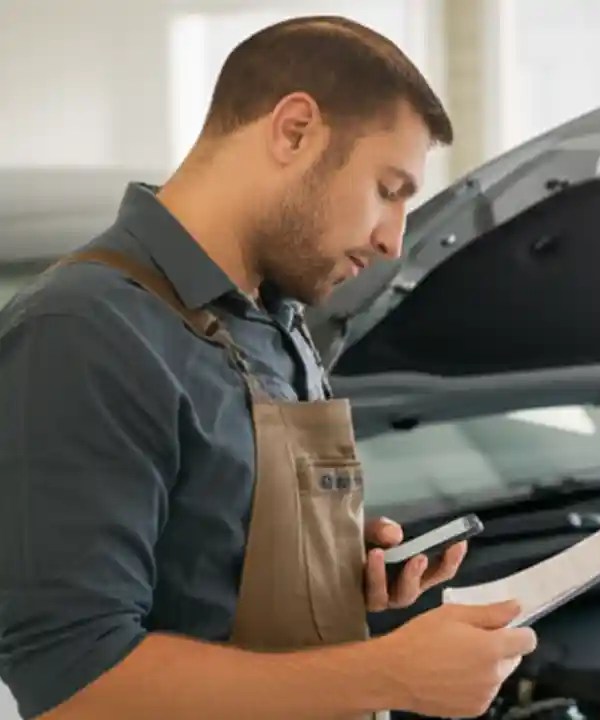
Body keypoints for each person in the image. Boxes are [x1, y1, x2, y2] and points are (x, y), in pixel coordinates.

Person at [0, 15, 535, 720]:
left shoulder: (275, 321)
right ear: (293, 130)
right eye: (388, 188)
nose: (392, 240)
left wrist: (334, 572)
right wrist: (389, 674)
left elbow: (207, 576)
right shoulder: (84, 331)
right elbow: (76, 680)